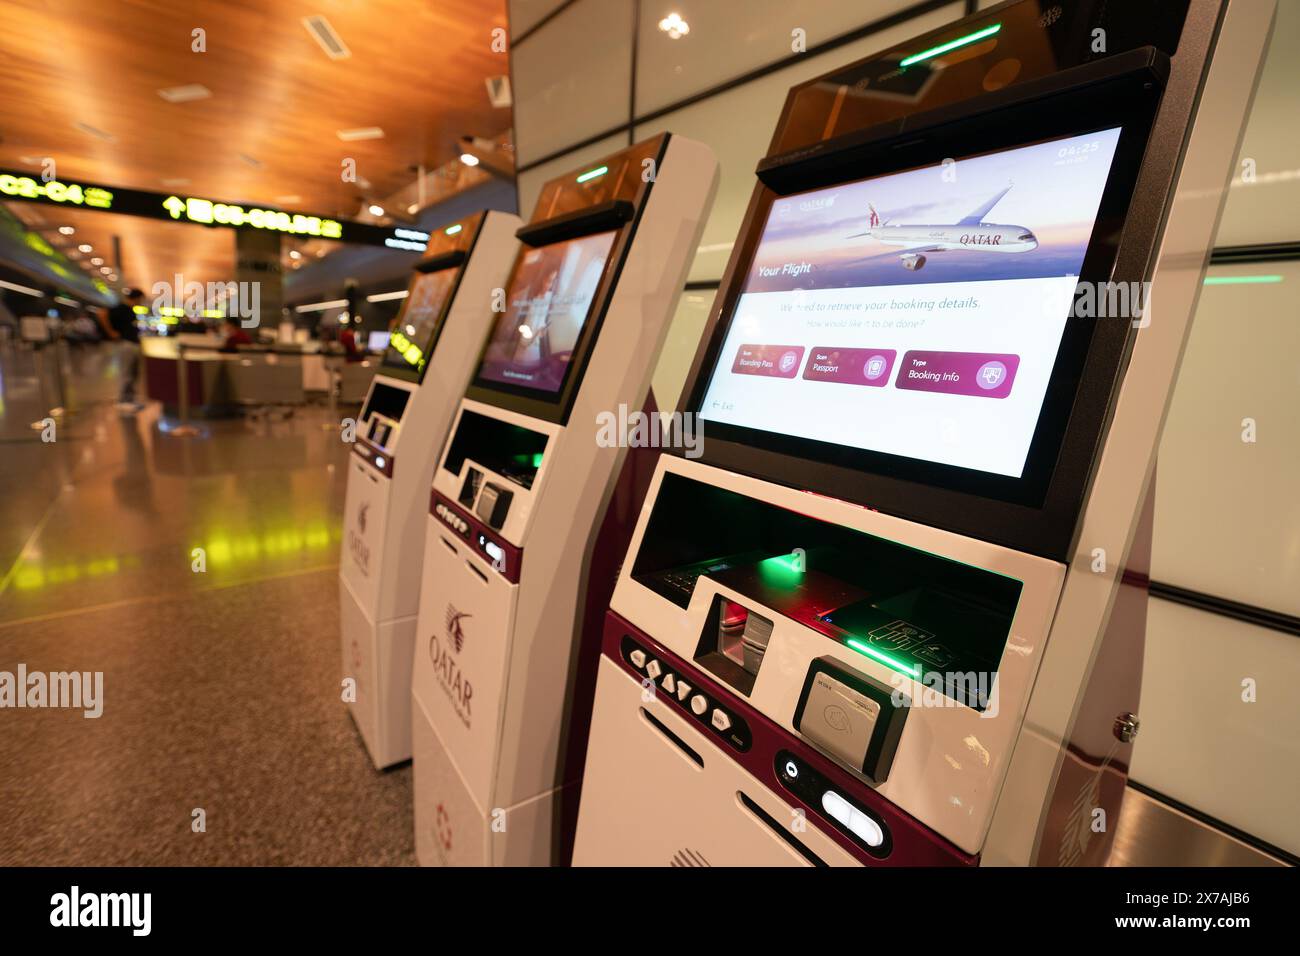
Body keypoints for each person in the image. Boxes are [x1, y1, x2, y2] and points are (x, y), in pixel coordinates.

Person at [97, 289, 144, 410]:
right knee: (127, 372)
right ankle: (123, 400)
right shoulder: (122, 308)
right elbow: (101, 313)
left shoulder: (129, 309)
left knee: (132, 372)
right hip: (126, 343)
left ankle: (129, 398)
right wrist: (111, 332)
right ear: (137, 298)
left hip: (131, 343)